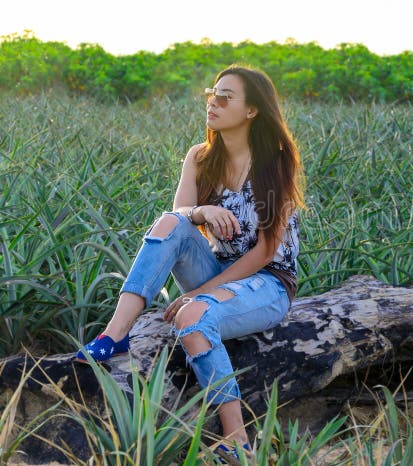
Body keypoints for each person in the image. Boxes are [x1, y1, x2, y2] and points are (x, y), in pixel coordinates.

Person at [75, 65, 304, 459]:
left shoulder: (275, 163)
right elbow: (180, 215)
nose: (213, 103)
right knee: (172, 221)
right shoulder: (200, 157)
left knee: (192, 316)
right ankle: (114, 335)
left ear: (252, 111)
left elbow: (266, 251)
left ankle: (238, 439)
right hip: (216, 271)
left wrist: (198, 293)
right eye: (211, 94)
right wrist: (200, 212)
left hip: (266, 283)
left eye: (225, 97)